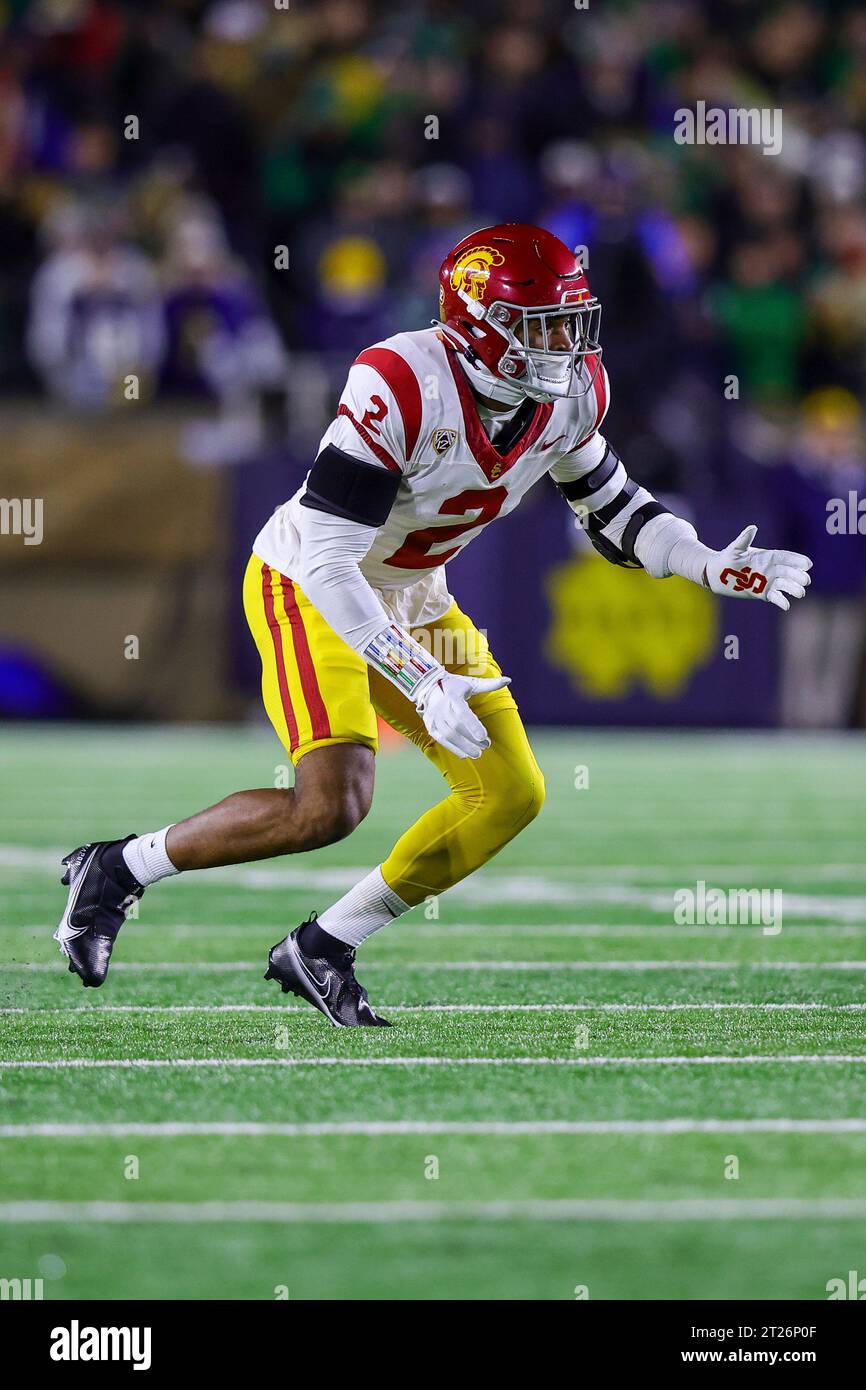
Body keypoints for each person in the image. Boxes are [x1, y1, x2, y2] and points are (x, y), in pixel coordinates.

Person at [54, 224, 813, 1025]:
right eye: (542, 323)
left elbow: (612, 506)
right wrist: (421, 677)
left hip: (415, 591)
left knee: (510, 793)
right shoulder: (401, 381)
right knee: (330, 805)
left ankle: (324, 944)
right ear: (483, 325)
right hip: (310, 583)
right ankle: (119, 867)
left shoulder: (573, 391)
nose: (565, 343)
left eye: (569, 320)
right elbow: (327, 564)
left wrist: (704, 564)